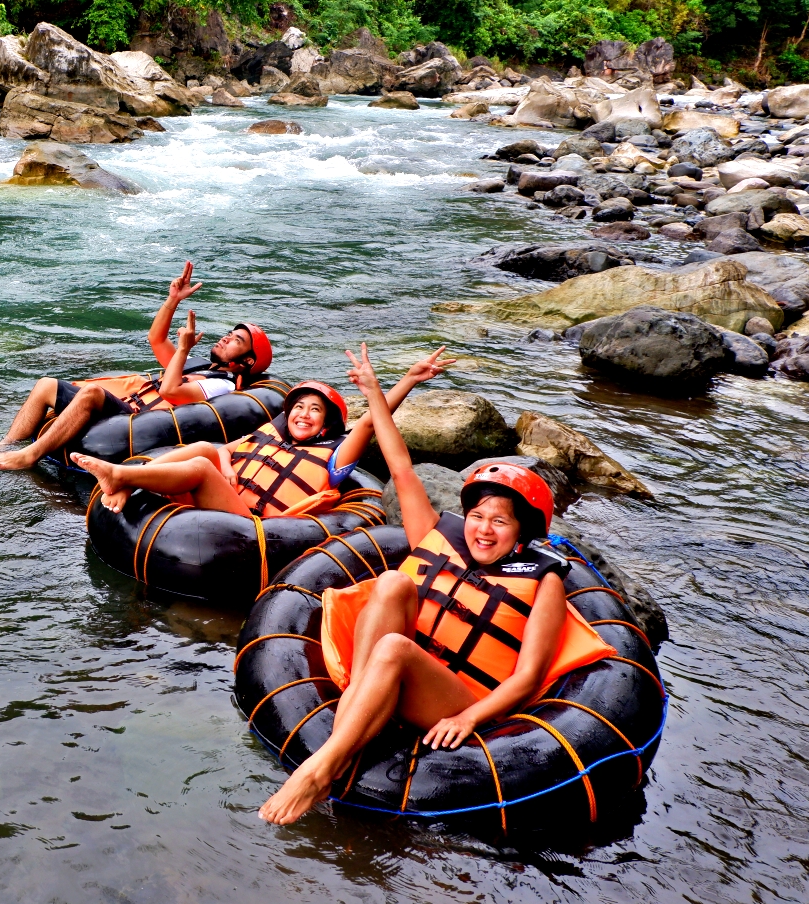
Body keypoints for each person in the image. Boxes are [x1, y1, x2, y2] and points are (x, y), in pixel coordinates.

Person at [256, 343, 612, 826]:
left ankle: (321, 770)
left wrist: (468, 717)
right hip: (396, 674)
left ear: (522, 531)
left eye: (500, 522)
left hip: (459, 697)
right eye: (478, 516)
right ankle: (356, 716)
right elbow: (400, 466)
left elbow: (528, 676)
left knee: (394, 648)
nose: (483, 530)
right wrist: (376, 390)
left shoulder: (542, 580)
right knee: (391, 584)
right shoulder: (439, 536)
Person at [72, 346, 455, 518]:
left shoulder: (335, 455)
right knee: (204, 449)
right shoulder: (272, 433)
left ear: (327, 424)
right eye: (298, 407)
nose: (303, 414)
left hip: (249, 524)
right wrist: (225, 463)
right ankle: (125, 482)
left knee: (202, 467)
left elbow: (371, 421)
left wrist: (408, 379)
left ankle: (121, 475)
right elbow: (221, 448)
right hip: (225, 499)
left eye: (315, 410)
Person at [0, 262, 272, 471]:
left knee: (92, 393)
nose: (226, 338)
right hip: (130, 408)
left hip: (135, 424)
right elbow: (156, 339)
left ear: (246, 361)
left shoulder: (223, 385)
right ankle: (6, 444)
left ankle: (29, 455)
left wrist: (182, 349)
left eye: (237, 340)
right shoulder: (200, 366)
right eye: (229, 333)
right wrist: (172, 300)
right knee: (47, 384)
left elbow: (171, 391)